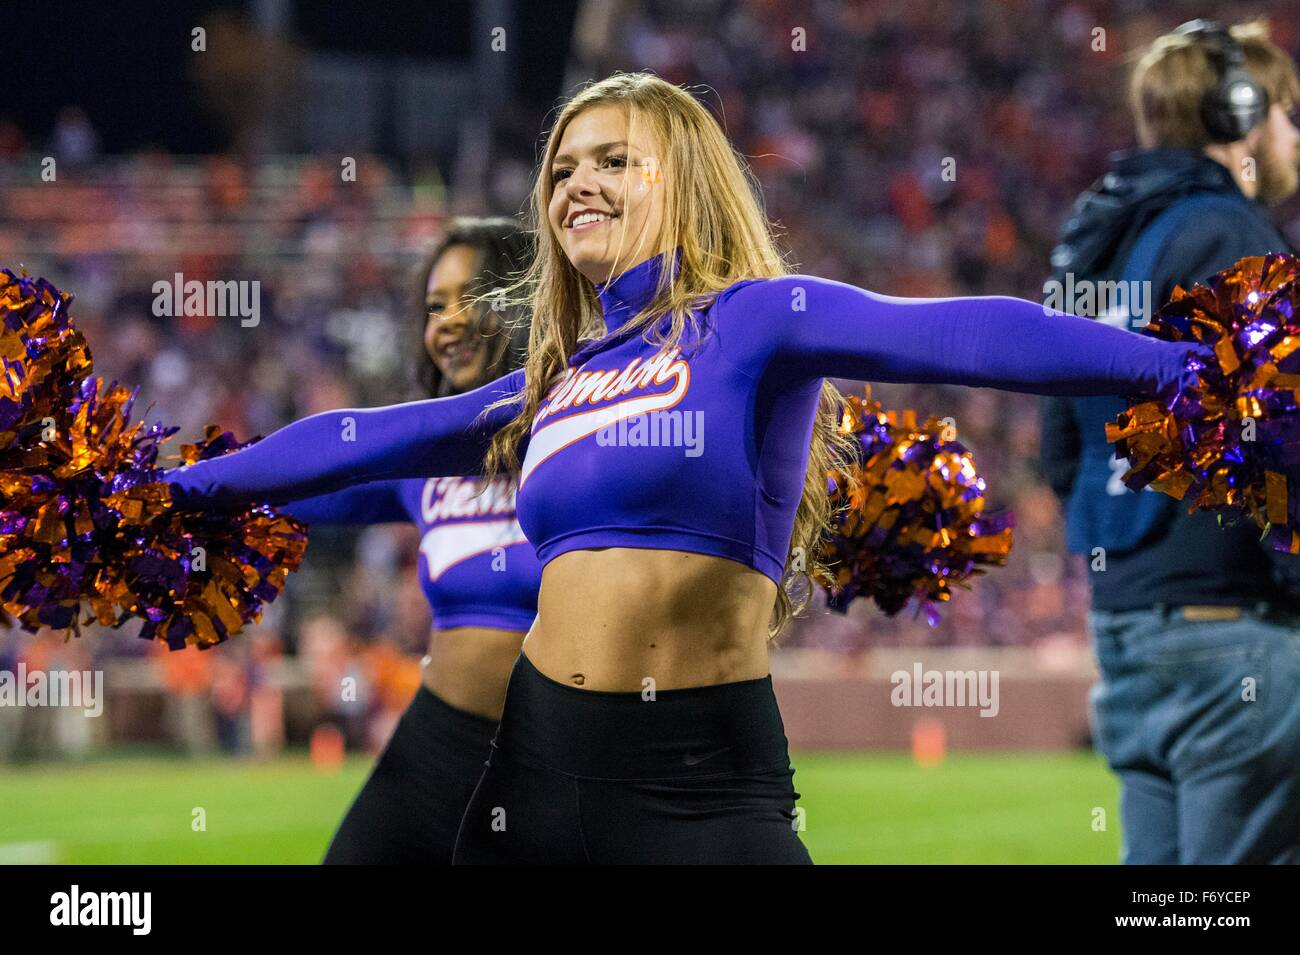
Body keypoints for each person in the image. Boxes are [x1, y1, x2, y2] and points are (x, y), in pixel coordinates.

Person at [165, 72, 1214, 865]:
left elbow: (962, 335)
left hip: (701, 779)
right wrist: (170, 495)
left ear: (683, 179)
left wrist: (1183, 372)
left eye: (613, 160)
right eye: (564, 167)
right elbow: (363, 437)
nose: (577, 181)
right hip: (530, 768)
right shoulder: (552, 381)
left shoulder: (753, 319)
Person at [1039, 19, 1300, 864]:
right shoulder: (1231, 233)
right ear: (1242, 116)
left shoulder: (1094, 241)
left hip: (1129, 627)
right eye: (1290, 115)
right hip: (1233, 627)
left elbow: (1058, 452)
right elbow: (1280, 441)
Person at [284, 218, 541, 863]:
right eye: (433, 307)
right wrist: (168, 492)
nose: (447, 323)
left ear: (525, 298)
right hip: (438, 741)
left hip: (562, 757)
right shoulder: (424, 462)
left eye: (468, 297)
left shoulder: (580, 433)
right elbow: (293, 487)